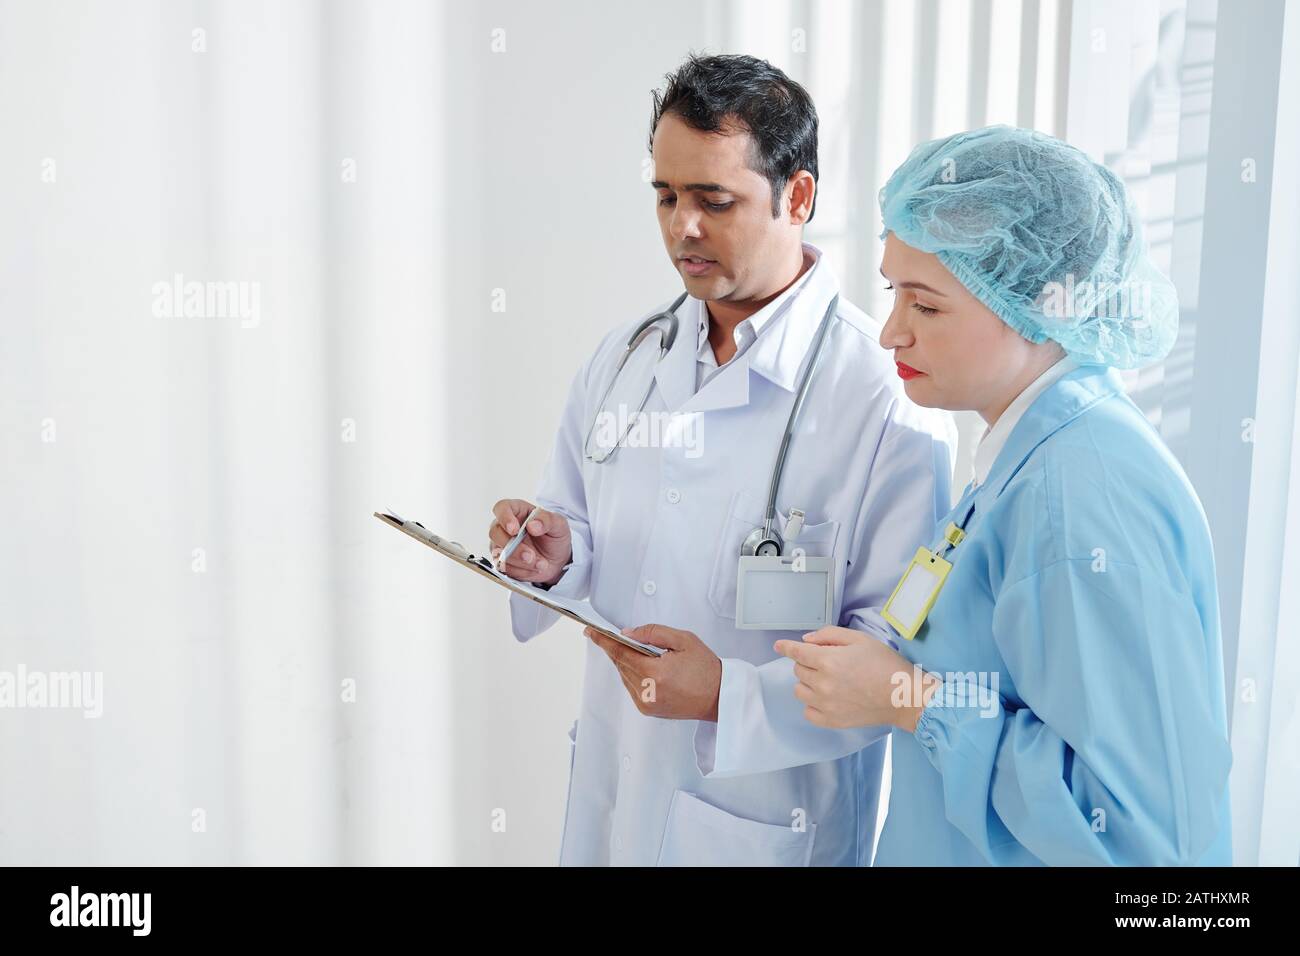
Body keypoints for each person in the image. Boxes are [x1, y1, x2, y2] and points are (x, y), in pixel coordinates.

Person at [487, 54, 954, 866]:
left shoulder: (884, 396)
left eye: (715, 200)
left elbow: (899, 662)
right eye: (666, 196)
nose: (682, 227)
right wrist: (555, 555)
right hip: (614, 792)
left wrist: (729, 699)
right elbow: (582, 528)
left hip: (766, 826)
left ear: (798, 197)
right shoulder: (628, 357)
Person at [774, 125, 1233, 865]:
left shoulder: (1079, 495)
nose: (892, 333)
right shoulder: (1029, 456)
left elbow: (1135, 835)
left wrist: (908, 698)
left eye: (925, 305)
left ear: (1034, 302)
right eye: (894, 294)